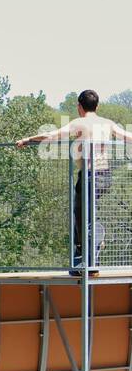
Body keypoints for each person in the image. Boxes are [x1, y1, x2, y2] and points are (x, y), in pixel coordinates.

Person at [16, 91, 132, 274]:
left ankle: (90, 253)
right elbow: (127, 136)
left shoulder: (80, 123)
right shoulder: (107, 124)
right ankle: (88, 259)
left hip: (90, 175)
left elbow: (52, 136)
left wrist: (29, 139)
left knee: (81, 217)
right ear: (97, 106)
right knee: (83, 214)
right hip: (105, 176)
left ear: (79, 106)